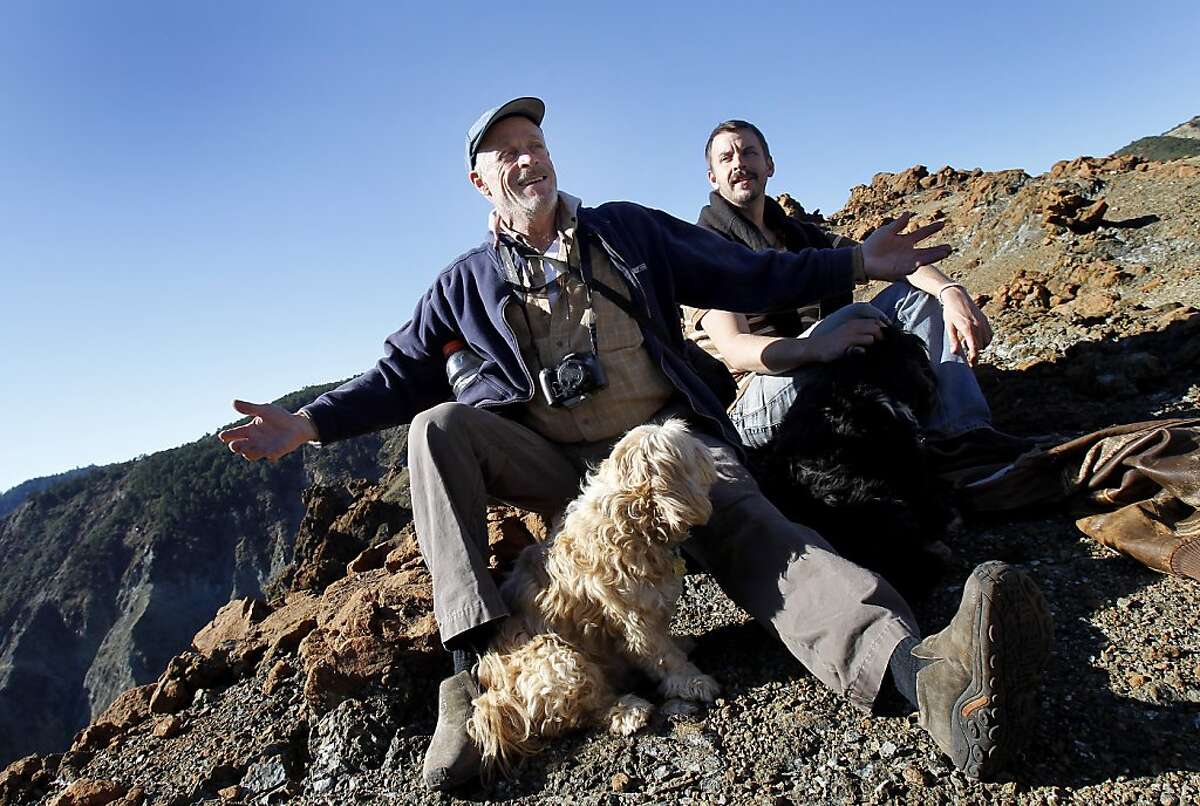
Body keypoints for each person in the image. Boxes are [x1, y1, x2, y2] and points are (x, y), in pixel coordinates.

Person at [217, 98, 1052, 790]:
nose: (527, 159)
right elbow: (398, 375)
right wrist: (311, 423)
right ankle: (477, 672)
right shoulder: (463, 285)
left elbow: (746, 275)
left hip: (668, 451)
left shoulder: (627, 233)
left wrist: (852, 264)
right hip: (564, 479)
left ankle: (927, 679)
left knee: (769, 542)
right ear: (480, 181)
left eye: (535, 144)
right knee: (435, 427)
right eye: (506, 152)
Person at [687, 119, 1019, 452]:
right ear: (713, 177)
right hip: (753, 403)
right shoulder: (704, 247)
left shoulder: (802, 237)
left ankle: (965, 437)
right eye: (726, 158)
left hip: (823, 368)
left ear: (769, 164)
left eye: (749, 152)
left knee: (917, 299)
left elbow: (886, 261)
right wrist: (819, 347)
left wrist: (951, 292)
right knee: (856, 314)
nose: (739, 163)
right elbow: (734, 349)